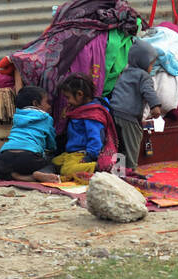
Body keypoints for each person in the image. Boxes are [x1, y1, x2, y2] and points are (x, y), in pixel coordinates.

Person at [0, 86, 60, 182]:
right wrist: (53, 149)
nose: (49, 106)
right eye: (47, 102)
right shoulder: (46, 118)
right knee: (51, 164)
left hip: (6, 155)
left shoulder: (17, 116)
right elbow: (51, 141)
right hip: (30, 156)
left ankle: (17, 176)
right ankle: (40, 174)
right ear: (35, 103)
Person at [110, 41, 164, 170]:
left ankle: (119, 173)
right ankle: (131, 172)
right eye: (151, 64)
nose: (152, 67)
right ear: (142, 62)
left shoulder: (125, 72)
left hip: (114, 112)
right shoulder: (144, 76)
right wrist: (155, 106)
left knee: (119, 145)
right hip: (129, 117)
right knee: (131, 146)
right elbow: (148, 91)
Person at [54, 74, 116, 180]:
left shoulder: (92, 114)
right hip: (71, 153)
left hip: (82, 154)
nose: (67, 101)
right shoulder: (79, 109)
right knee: (54, 161)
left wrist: (89, 158)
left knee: (66, 170)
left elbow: (96, 138)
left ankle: (98, 168)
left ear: (79, 94)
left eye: (68, 97)